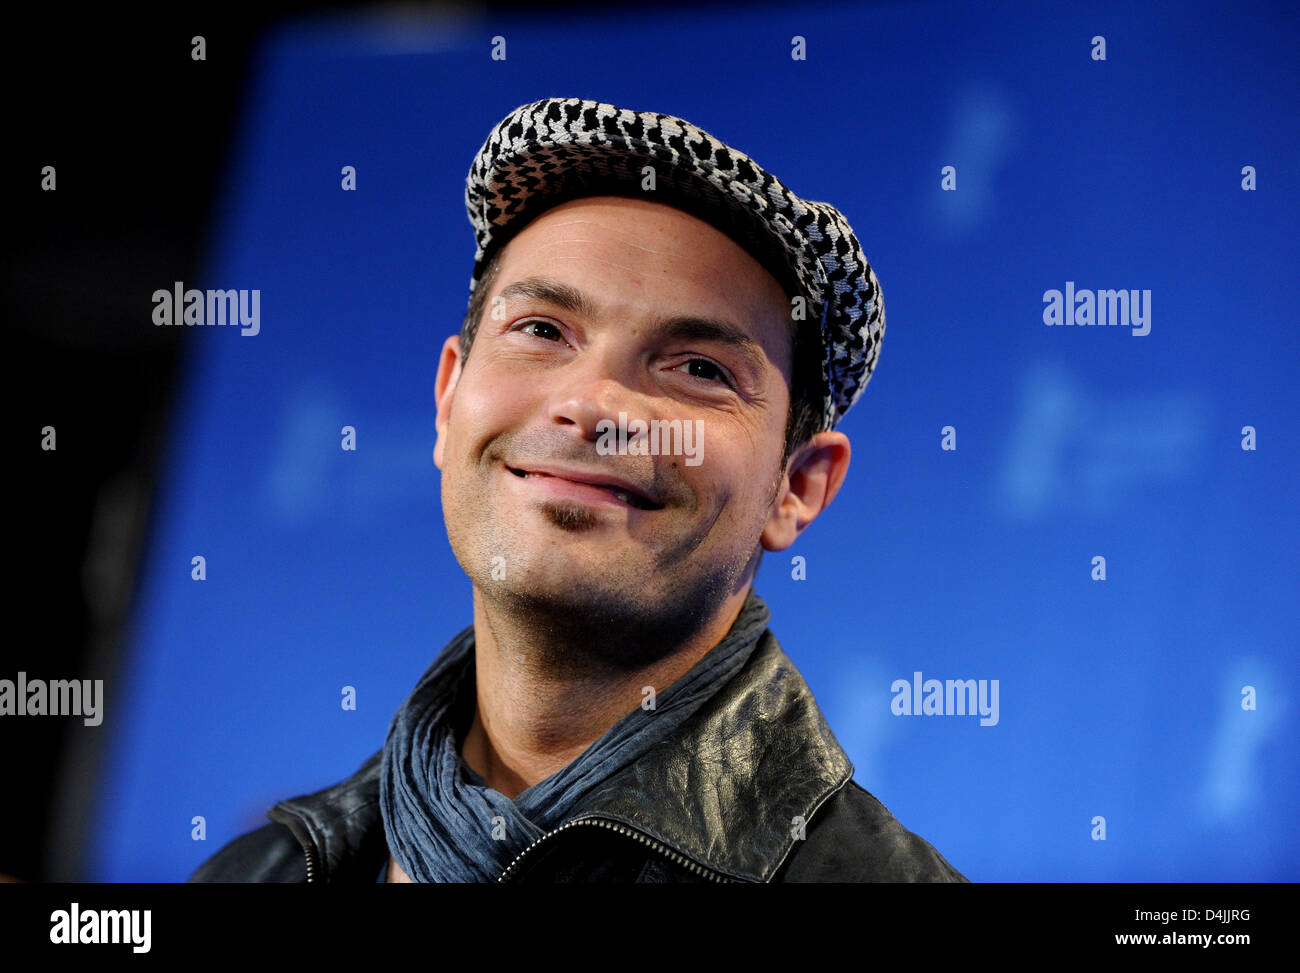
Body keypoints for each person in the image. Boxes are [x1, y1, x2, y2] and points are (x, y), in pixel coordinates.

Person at [191, 96, 968, 883]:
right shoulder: (259, 873)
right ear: (449, 398)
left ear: (796, 486)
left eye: (699, 368)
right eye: (542, 330)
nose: (593, 402)